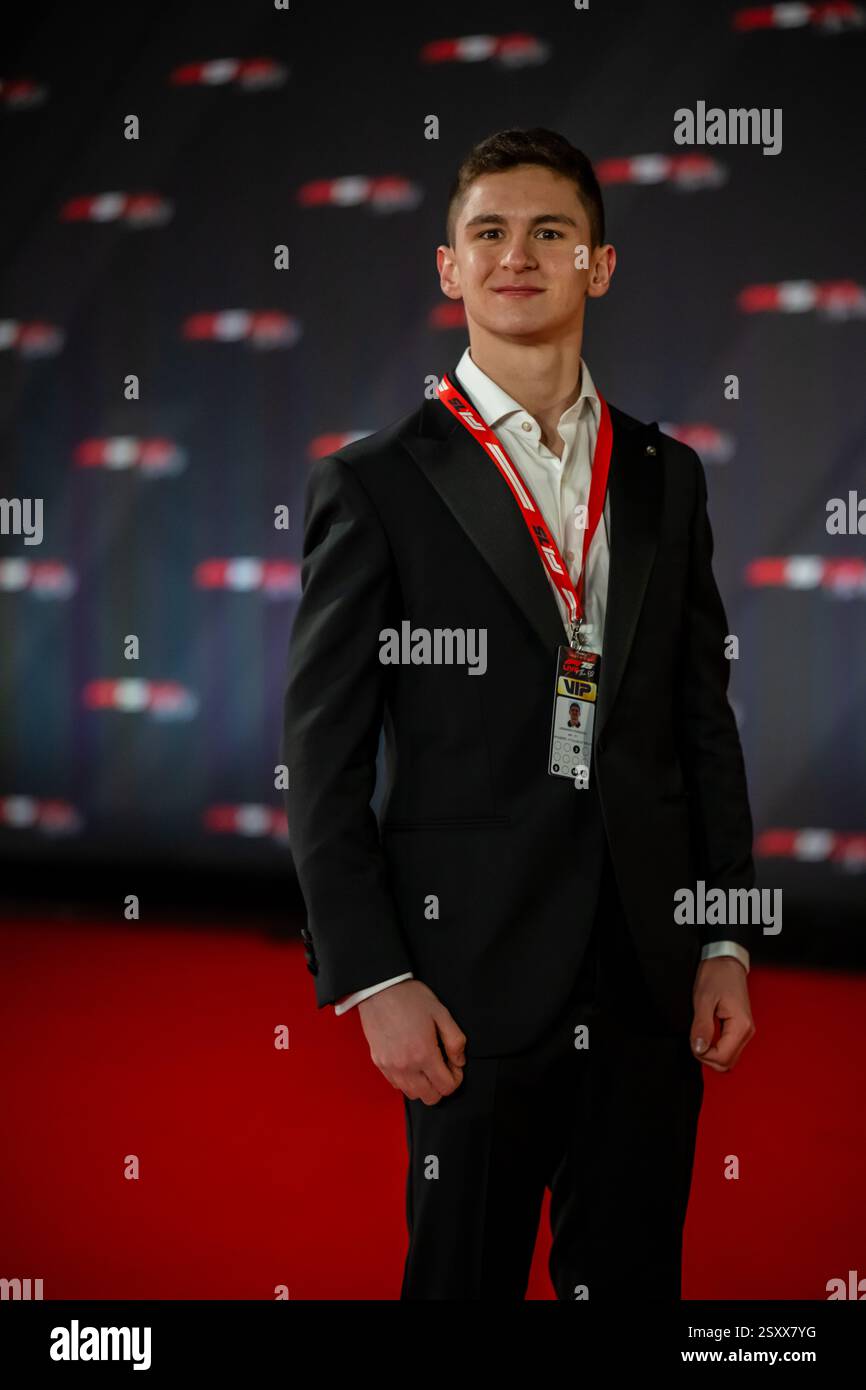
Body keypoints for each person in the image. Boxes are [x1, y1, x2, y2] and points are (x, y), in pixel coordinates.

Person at [282, 127, 756, 1301]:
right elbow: (322, 757)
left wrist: (723, 937)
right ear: (447, 269)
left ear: (599, 264)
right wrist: (370, 977)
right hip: (465, 987)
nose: (517, 254)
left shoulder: (664, 474)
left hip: (647, 981)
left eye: (551, 231)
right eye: (486, 231)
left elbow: (702, 719)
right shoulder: (377, 483)